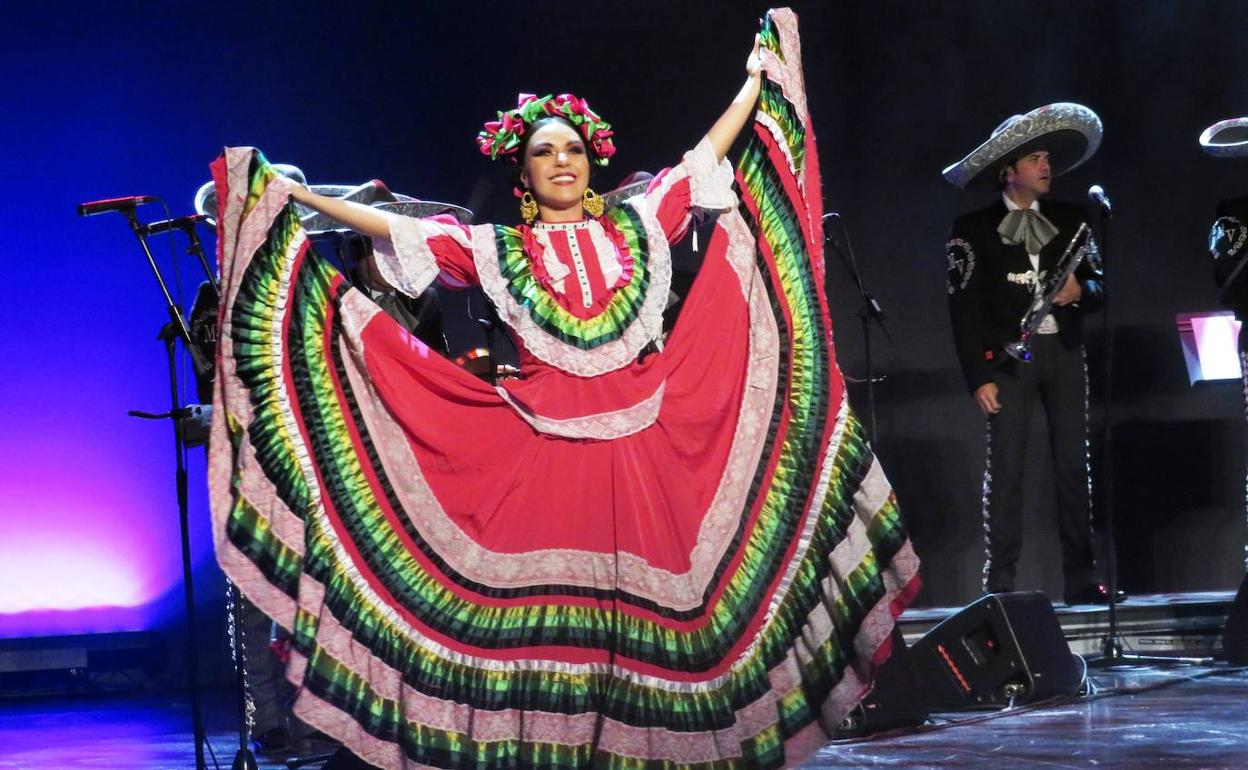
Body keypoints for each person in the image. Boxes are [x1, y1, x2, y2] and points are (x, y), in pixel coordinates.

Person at [208, 10, 918, 769]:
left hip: (653, 446)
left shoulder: (640, 223)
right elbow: (388, 227)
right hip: (550, 453)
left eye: (572, 149)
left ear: (591, 161)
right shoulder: (495, 249)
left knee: (681, 618)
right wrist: (294, 196)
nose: (561, 161)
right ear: (523, 174)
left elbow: (706, 152)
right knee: (566, 629)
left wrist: (757, 79)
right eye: (544, 152)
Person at [942, 103, 1118, 605]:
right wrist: (979, 375)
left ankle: (1082, 578)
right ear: (1009, 170)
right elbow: (963, 309)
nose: (1046, 167)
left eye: (1047, 157)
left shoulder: (1072, 218)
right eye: (1035, 158)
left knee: (1071, 467)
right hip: (1008, 362)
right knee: (1008, 472)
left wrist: (1078, 294)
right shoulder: (972, 227)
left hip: (1062, 353)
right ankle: (999, 584)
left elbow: (1101, 285)